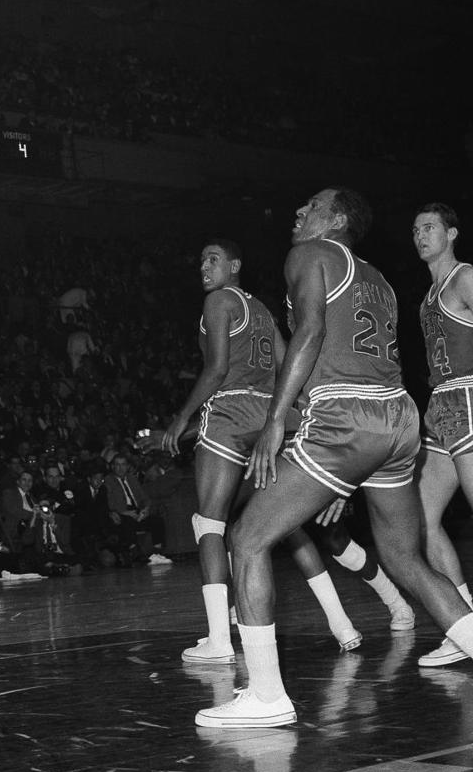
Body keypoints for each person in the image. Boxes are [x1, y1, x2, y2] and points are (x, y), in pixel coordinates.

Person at [197, 188, 473, 729]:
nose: (298, 213)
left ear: (337, 220)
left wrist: (278, 419)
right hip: (401, 418)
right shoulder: (382, 281)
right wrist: (341, 481)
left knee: (248, 538)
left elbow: (312, 332)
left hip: (347, 417)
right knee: (406, 557)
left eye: (312, 208)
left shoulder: (310, 254)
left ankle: (268, 696)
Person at [162, 239, 400, 664]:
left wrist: (182, 417)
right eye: (201, 259)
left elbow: (216, 369)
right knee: (287, 526)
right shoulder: (261, 309)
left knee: (210, 525)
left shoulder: (219, 302)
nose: (204, 265)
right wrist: (299, 408)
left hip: (232, 411)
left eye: (212, 258)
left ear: (235, 265)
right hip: (273, 410)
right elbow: (285, 358)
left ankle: (219, 640)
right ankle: (342, 624)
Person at [411, 202, 473, 667]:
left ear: (452, 233)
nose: (420, 235)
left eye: (429, 227)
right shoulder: (426, 298)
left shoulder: (465, 277)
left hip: (468, 398)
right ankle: (466, 623)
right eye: (415, 230)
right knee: (421, 520)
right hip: (439, 407)